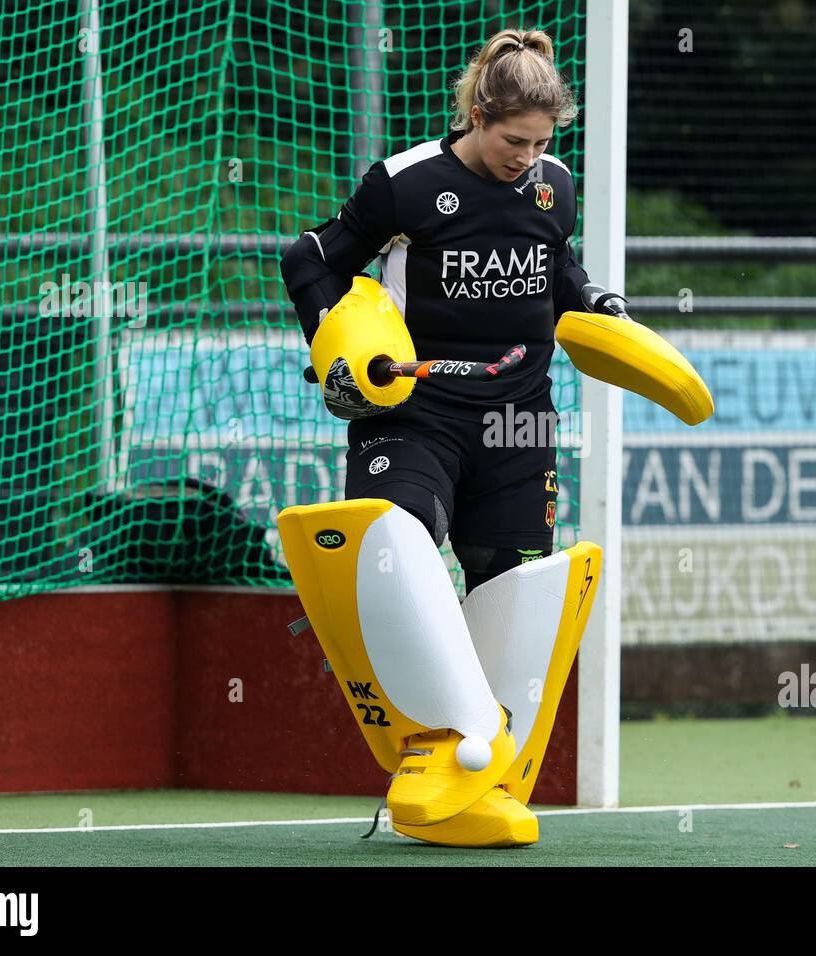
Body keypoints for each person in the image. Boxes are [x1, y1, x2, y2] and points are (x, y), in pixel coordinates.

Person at [276, 27, 622, 849]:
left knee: (510, 582)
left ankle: (484, 779)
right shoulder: (404, 183)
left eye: (542, 144)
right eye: (514, 141)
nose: (527, 158)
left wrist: (597, 302)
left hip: (520, 418)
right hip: (416, 415)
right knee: (398, 544)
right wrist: (334, 342)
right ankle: (431, 748)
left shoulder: (554, 186)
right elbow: (312, 258)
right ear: (477, 113)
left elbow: (555, 270)